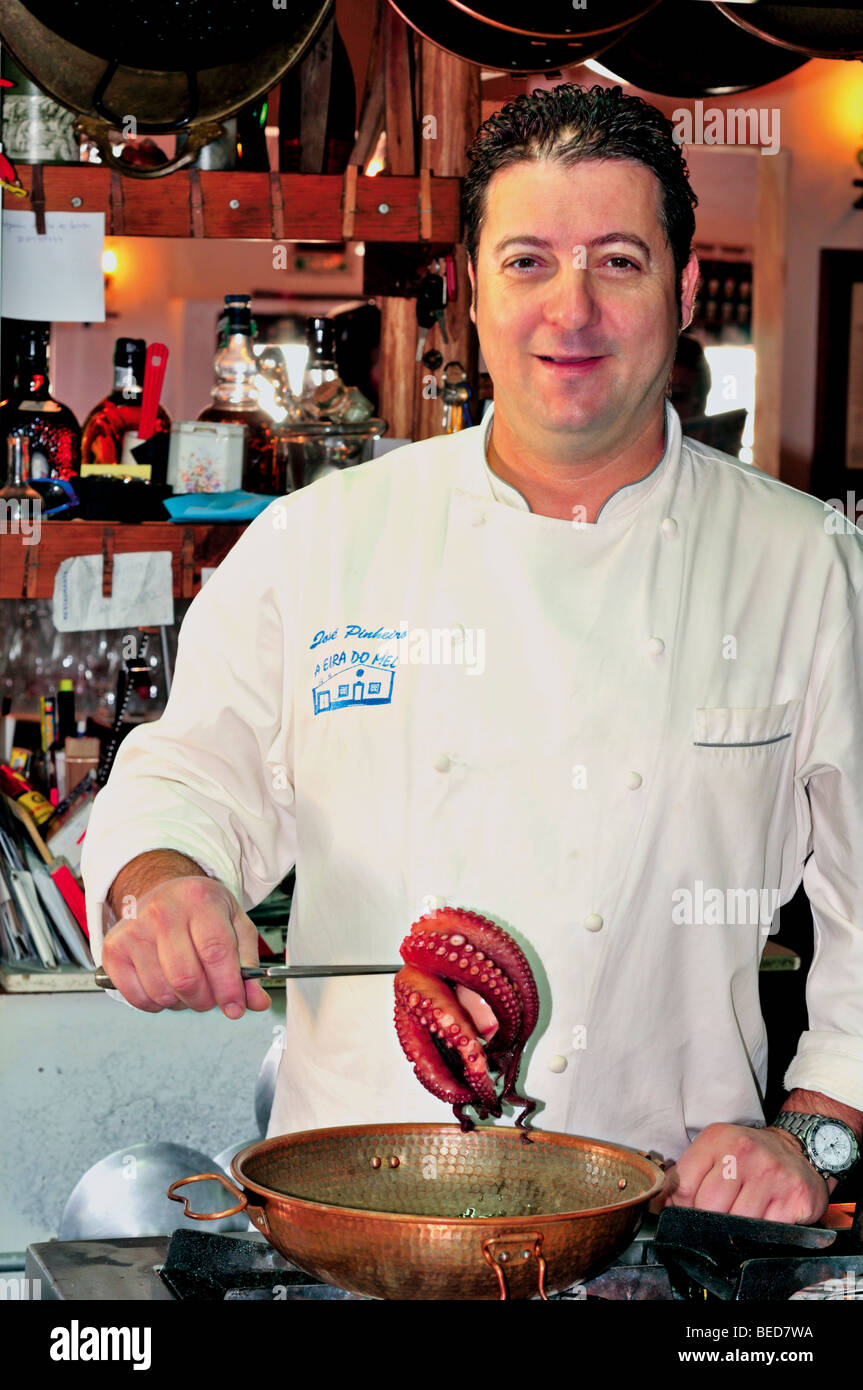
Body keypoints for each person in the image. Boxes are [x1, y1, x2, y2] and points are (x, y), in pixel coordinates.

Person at [82, 84, 863, 1225]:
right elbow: (188, 779)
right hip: (358, 1221)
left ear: (686, 290)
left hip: (671, 1219)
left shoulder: (802, 564)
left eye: (618, 261)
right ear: (467, 294)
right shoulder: (322, 541)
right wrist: (162, 882)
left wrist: (812, 1132)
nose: (572, 310)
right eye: (528, 261)